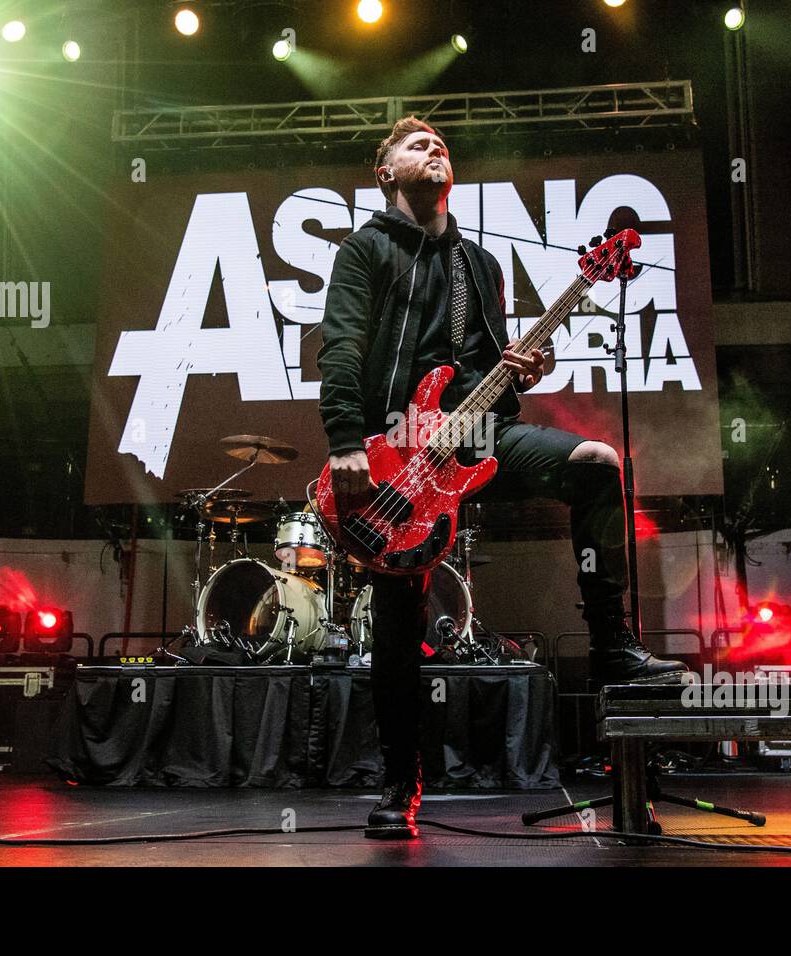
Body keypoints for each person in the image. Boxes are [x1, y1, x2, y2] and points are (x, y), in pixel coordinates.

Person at [317, 116, 687, 840]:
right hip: (397, 443)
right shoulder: (364, 251)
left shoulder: (477, 265)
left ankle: (611, 641)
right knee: (399, 621)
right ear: (385, 172)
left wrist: (523, 370)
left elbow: (488, 373)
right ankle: (400, 780)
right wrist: (343, 440)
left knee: (597, 465)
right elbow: (342, 344)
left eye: (442, 145)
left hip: (478, 433)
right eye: (416, 144)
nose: (436, 149)